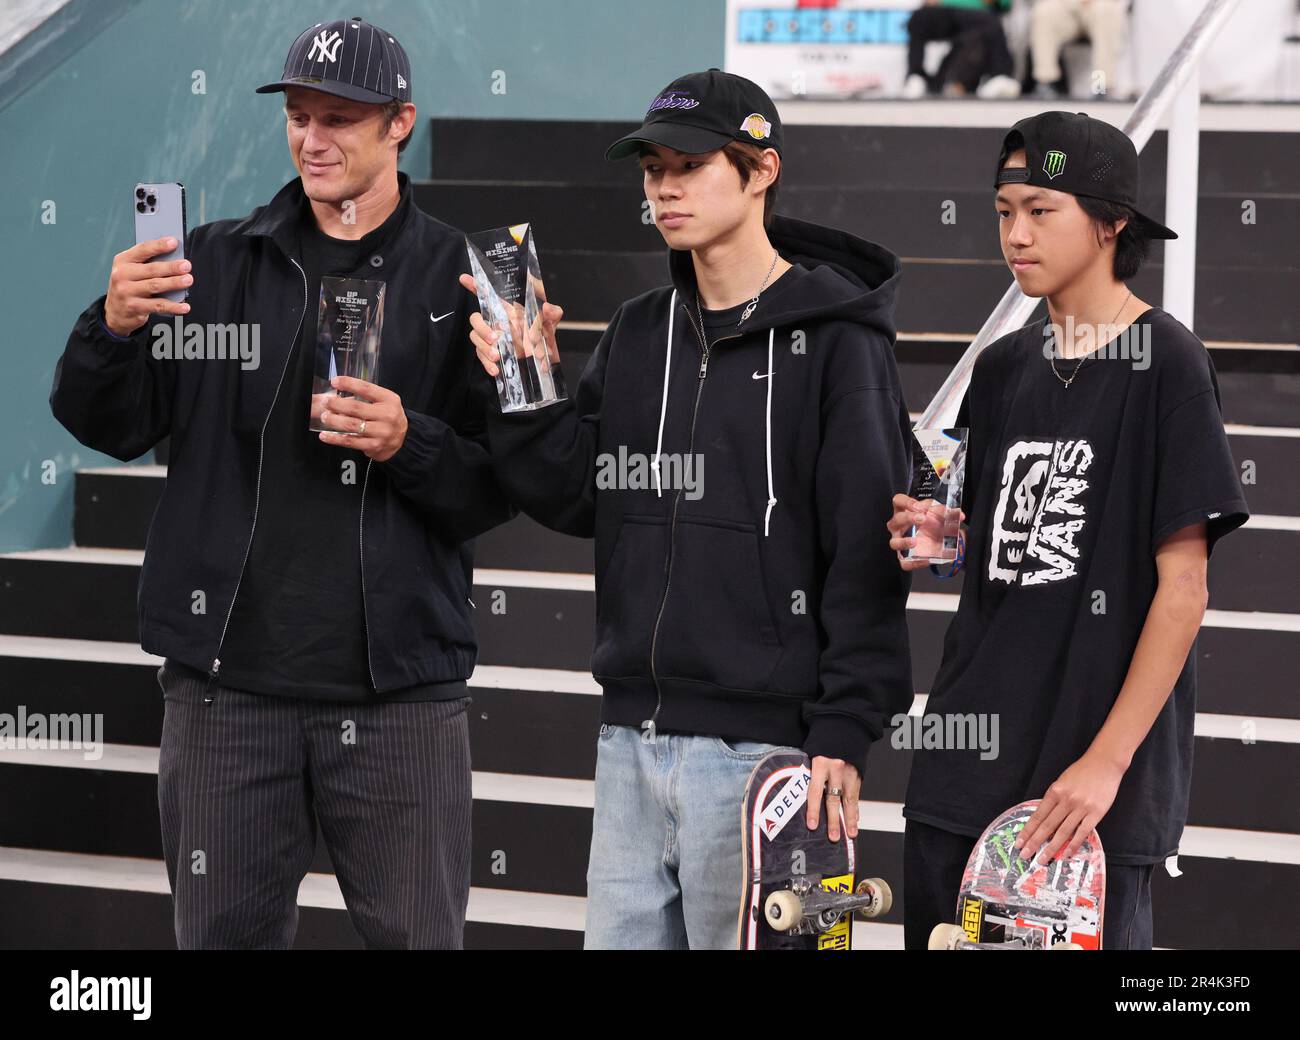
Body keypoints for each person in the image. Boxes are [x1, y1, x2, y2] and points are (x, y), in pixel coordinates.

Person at [49, 18, 512, 949]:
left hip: (399, 703)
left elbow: (500, 489)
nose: (312, 138)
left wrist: (406, 442)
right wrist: (111, 328)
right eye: (299, 116)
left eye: (341, 118)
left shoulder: (474, 277)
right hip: (228, 696)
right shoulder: (212, 261)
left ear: (401, 124)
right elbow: (110, 423)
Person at [461, 69, 914, 949]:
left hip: (767, 761)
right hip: (632, 740)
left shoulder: (837, 343)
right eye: (652, 168)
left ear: (760, 172)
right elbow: (581, 493)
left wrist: (846, 731)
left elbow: (865, 549)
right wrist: (525, 387)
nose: (663, 186)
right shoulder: (638, 330)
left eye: (691, 165)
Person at [890, 111, 1249, 949]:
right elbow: (1009, 533)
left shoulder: (1168, 363)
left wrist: (1107, 763)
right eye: (1004, 210)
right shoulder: (1005, 364)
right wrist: (946, 535)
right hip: (966, 756)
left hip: (1090, 786)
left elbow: (1184, 589)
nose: (1015, 233)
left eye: (1041, 210)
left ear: (1112, 221)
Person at [902, 0, 1021, 98]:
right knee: (919, 18)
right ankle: (916, 76)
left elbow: (1005, 4)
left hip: (977, 11)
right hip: (943, 8)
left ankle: (1000, 75)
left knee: (988, 23)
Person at [1030, 0, 1128, 98]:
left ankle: (1101, 85)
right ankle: (1046, 81)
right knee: (1044, 11)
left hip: (1097, 5)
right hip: (1066, 5)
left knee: (1106, 11)